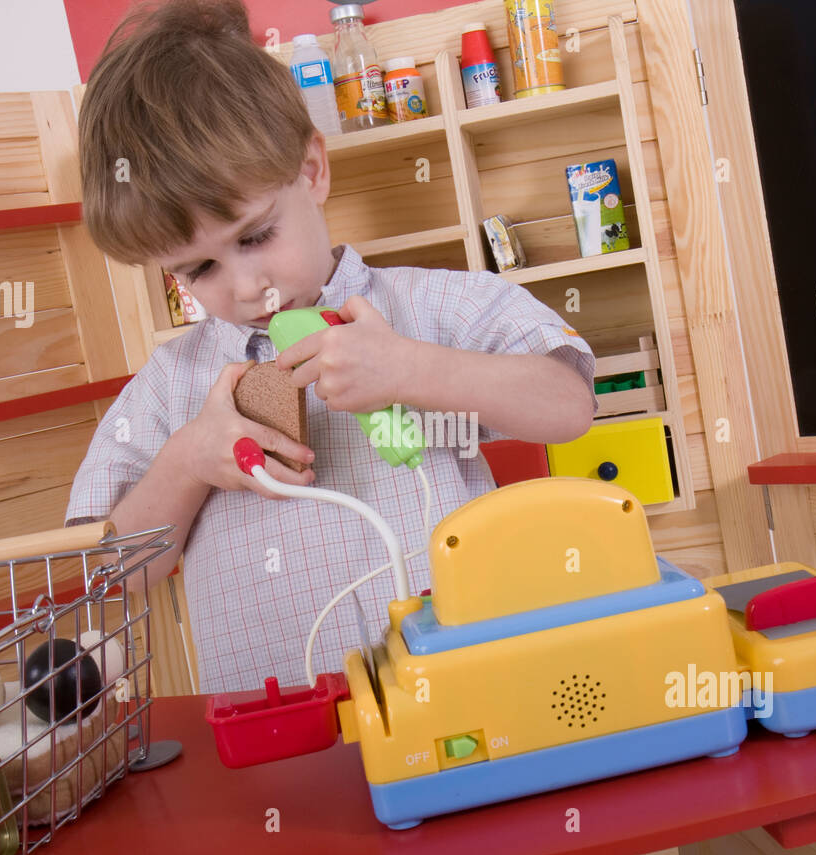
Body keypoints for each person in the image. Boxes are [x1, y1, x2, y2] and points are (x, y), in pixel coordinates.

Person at [66, 0, 597, 693]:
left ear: (311, 170)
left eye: (255, 236)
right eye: (200, 270)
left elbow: (569, 405)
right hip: (276, 733)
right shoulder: (174, 382)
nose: (246, 284)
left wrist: (413, 368)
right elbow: (105, 574)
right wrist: (191, 460)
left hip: (459, 692)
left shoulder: (429, 306)